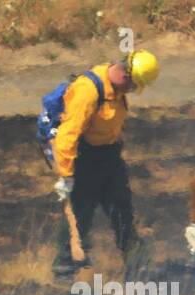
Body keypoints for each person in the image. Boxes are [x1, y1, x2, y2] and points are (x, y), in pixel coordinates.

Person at [49, 50, 158, 279]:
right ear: (125, 75)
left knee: (122, 210)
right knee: (80, 214)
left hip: (109, 157)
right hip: (85, 160)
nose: (132, 91)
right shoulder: (88, 90)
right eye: (133, 85)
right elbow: (67, 136)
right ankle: (64, 267)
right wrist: (66, 175)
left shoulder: (117, 90)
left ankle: (138, 265)